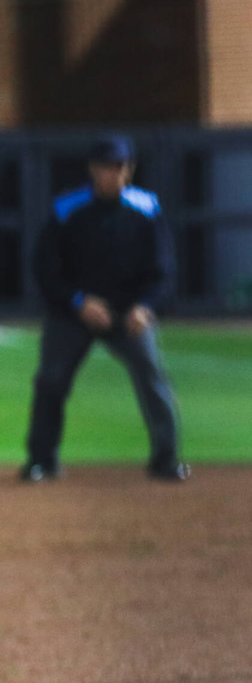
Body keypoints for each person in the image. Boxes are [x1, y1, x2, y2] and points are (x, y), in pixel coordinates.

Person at [20, 135, 188, 483]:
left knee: (152, 378)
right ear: (92, 169)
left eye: (121, 166)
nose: (114, 173)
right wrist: (78, 301)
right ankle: (42, 460)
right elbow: (45, 268)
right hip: (74, 314)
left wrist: (145, 306)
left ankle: (165, 459)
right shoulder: (68, 208)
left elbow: (164, 270)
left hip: (128, 314)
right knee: (51, 381)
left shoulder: (146, 208)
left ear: (130, 169)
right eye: (106, 166)